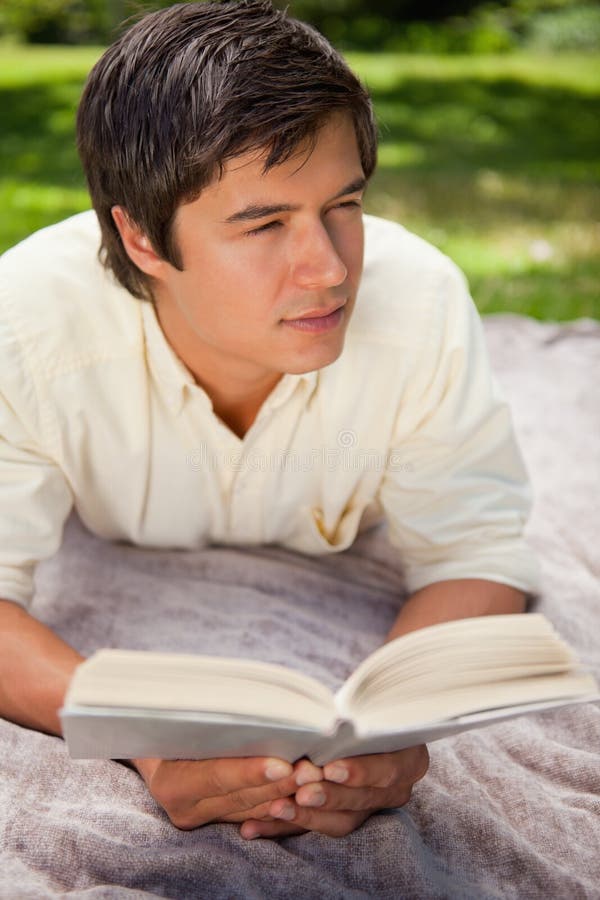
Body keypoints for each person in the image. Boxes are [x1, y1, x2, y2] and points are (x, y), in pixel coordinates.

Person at [0, 0, 540, 840]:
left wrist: (399, 725)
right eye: (264, 224)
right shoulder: (29, 322)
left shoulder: (421, 299)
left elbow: (477, 550)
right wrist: (144, 736)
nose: (328, 270)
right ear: (142, 238)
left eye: (344, 205)